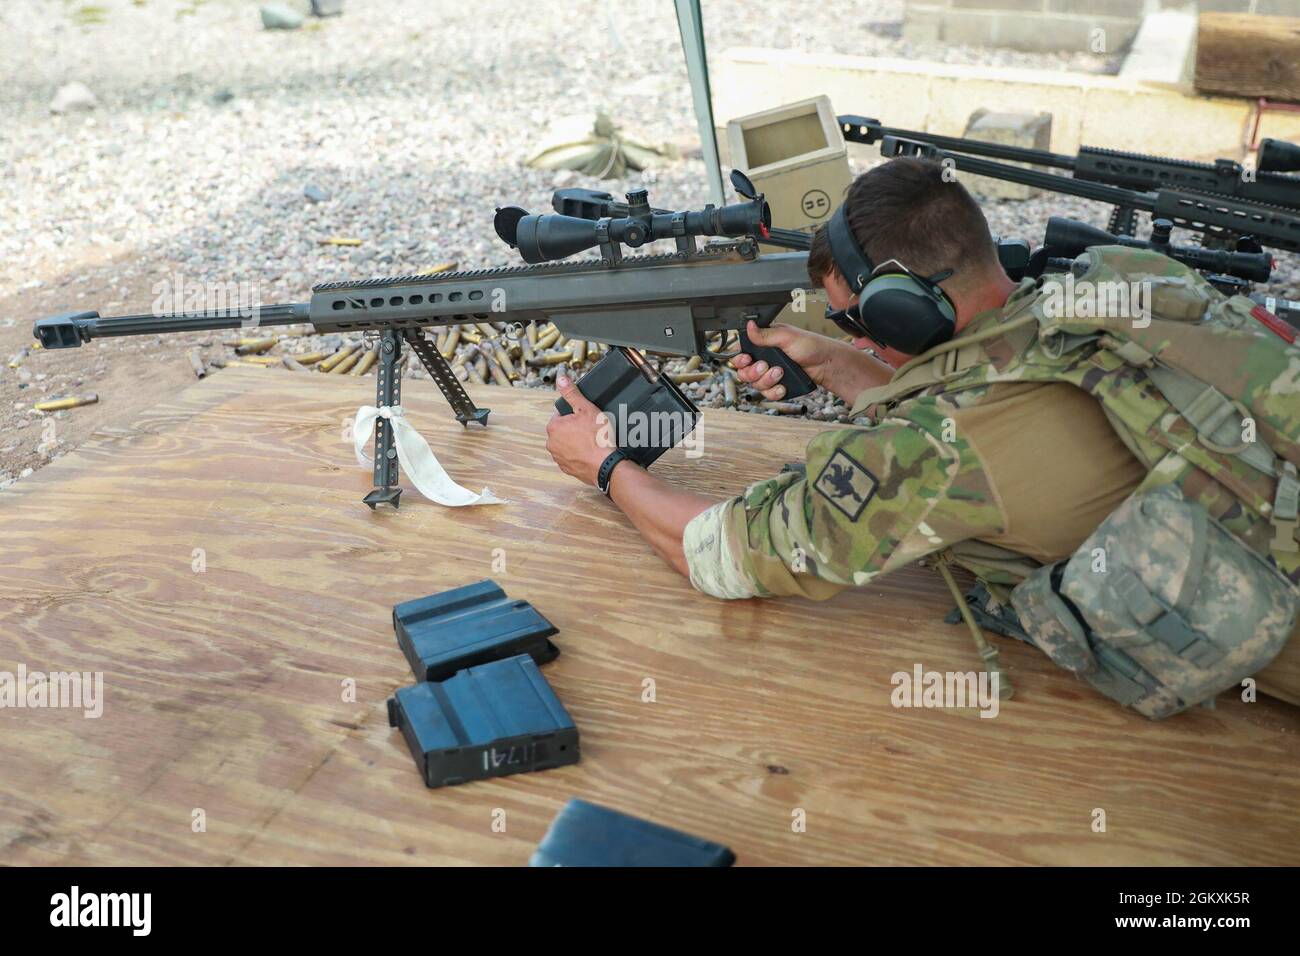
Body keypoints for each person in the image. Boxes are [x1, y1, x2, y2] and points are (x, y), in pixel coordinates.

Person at [544, 157, 1300, 708]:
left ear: (908, 313)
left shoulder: (938, 450)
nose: (857, 333)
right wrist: (843, 364)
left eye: (855, 318)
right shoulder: (1112, 282)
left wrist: (608, 466)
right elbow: (996, 393)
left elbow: (721, 552)